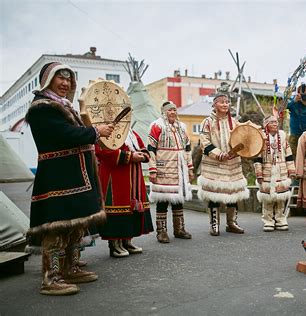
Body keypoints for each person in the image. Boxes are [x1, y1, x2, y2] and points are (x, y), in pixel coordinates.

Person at [25, 62, 114, 295]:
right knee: (56, 227)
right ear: (48, 80)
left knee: (76, 224)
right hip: (57, 176)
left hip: (77, 175)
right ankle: (51, 278)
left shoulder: (64, 106)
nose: (66, 83)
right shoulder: (41, 108)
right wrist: (96, 132)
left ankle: (70, 268)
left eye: (69, 79)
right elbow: (64, 135)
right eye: (60, 78)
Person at [95, 129, 154, 257]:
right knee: (117, 206)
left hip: (133, 175)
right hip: (116, 174)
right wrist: (130, 156)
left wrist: (142, 155)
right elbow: (103, 151)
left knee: (132, 208)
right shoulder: (105, 131)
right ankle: (115, 244)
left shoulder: (130, 132)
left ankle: (127, 240)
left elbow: (142, 147)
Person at [197, 92, 249, 236]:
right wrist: (219, 154)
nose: (225, 104)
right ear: (214, 105)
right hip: (214, 163)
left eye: (227, 102)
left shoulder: (235, 122)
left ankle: (231, 223)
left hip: (232, 162)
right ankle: (214, 225)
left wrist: (240, 150)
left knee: (233, 192)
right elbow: (204, 142)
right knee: (214, 194)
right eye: (222, 102)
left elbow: (243, 139)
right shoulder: (207, 122)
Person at [148, 101, 193, 243]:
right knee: (163, 200)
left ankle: (179, 229)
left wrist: (190, 168)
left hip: (179, 169)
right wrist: (152, 169)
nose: (172, 112)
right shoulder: (157, 126)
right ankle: (161, 232)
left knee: (178, 199)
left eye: (174, 110)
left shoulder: (182, 127)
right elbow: (150, 149)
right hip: (164, 168)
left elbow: (187, 149)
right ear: (164, 112)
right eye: (169, 110)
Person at [254, 115, 295, 231]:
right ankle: (268, 220)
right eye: (272, 122)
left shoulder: (282, 137)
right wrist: (259, 173)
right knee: (267, 200)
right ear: (266, 125)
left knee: (280, 198)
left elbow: (289, 155)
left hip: (281, 171)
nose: (275, 124)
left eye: (276, 122)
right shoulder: (261, 138)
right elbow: (257, 158)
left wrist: (291, 170)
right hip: (267, 171)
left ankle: (280, 219)